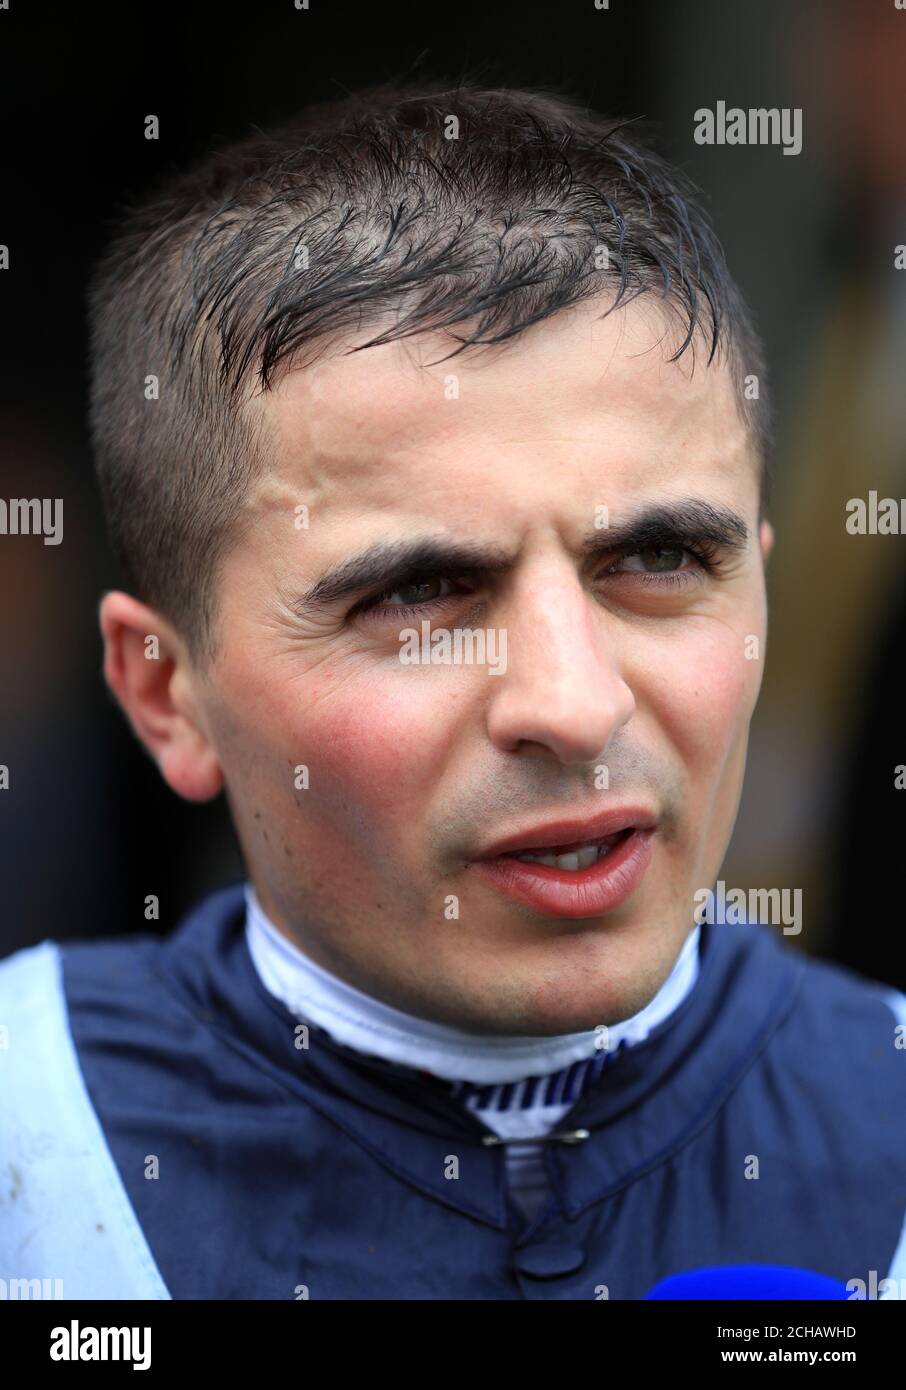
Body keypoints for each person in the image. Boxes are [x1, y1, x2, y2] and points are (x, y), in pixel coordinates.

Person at [2, 79, 904, 1301]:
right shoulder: (34, 1133)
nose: (576, 705)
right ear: (168, 695)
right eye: (420, 592)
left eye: (656, 561)